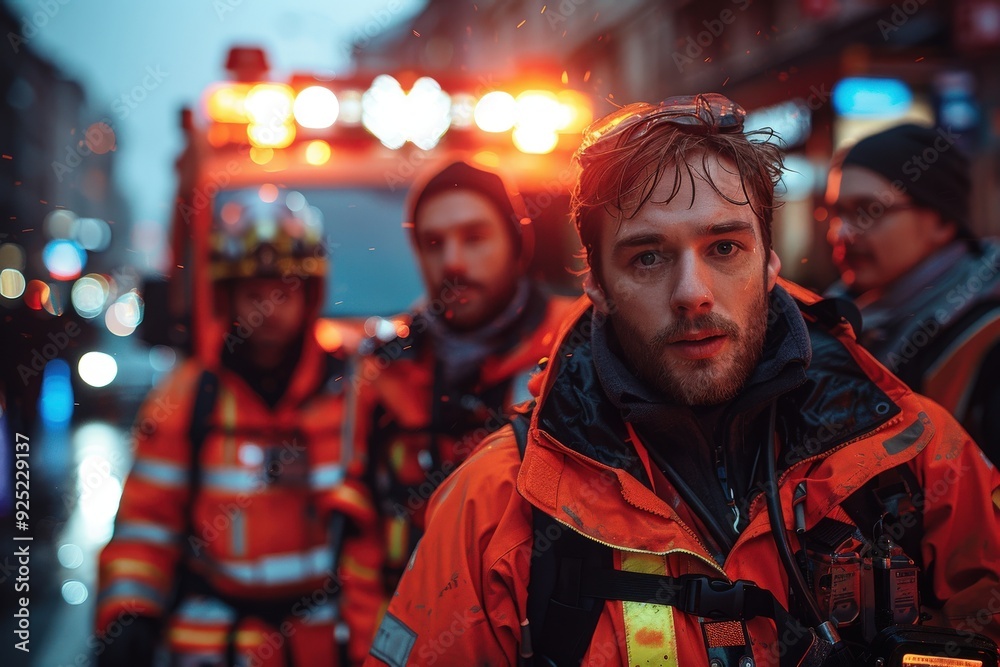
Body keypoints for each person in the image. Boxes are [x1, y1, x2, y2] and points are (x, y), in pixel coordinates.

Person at [364, 95, 1000, 667]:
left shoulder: (914, 452)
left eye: (724, 247)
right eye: (648, 257)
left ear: (769, 262)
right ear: (596, 285)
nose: (692, 293)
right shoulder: (497, 506)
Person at [96, 191, 379, 667]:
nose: (268, 308)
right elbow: (146, 525)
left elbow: (381, 533)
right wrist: (130, 614)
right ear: (226, 296)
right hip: (212, 646)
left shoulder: (354, 395)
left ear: (310, 294)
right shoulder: (186, 397)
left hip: (325, 645)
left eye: (283, 292)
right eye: (253, 293)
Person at [349, 160, 576, 601]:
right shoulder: (383, 372)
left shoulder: (577, 346)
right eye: (434, 243)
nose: (452, 262)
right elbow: (360, 542)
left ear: (515, 244)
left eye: (474, 238)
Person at [825, 123, 1000, 463]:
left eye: (868, 211)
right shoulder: (835, 321)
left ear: (941, 221)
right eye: (837, 213)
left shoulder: (988, 340)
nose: (842, 233)